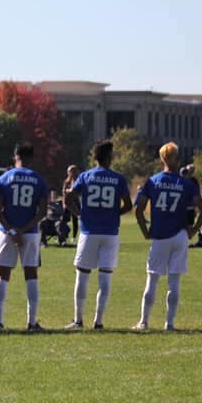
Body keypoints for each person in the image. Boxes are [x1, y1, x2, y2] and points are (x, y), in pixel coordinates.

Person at [133, 143, 202, 331]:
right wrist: (194, 229)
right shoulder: (187, 184)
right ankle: (170, 323)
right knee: (174, 282)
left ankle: (144, 321)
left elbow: (139, 210)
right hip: (180, 235)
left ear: (161, 159)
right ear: (177, 159)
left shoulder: (153, 181)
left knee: (152, 280)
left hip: (159, 235)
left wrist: (145, 231)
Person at [64, 141, 132, 330]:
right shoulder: (118, 178)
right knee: (105, 277)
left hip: (89, 231)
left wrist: (77, 212)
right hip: (110, 233)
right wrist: (113, 214)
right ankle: (98, 321)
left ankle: (78, 320)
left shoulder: (86, 176)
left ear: (95, 158)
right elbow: (128, 204)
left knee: (82, 276)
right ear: (110, 157)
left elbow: (68, 197)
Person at [0, 142, 49, 332]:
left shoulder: (3, 178)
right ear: (31, 158)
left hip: (7, 232)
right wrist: (24, 229)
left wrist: (12, 230)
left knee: (3, 274)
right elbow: (41, 212)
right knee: (31, 274)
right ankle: (31, 322)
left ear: (15, 157)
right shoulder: (39, 180)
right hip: (30, 233)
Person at [62, 165, 80, 241]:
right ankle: (63, 236)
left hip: (75, 202)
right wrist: (63, 203)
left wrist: (69, 191)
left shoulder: (78, 181)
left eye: (71, 171)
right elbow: (63, 192)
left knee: (75, 220)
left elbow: (77, 192)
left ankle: (74, 237)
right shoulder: (66, 181)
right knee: (64, 220)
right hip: (67, 202)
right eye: (69, 171)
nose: (70, 173)